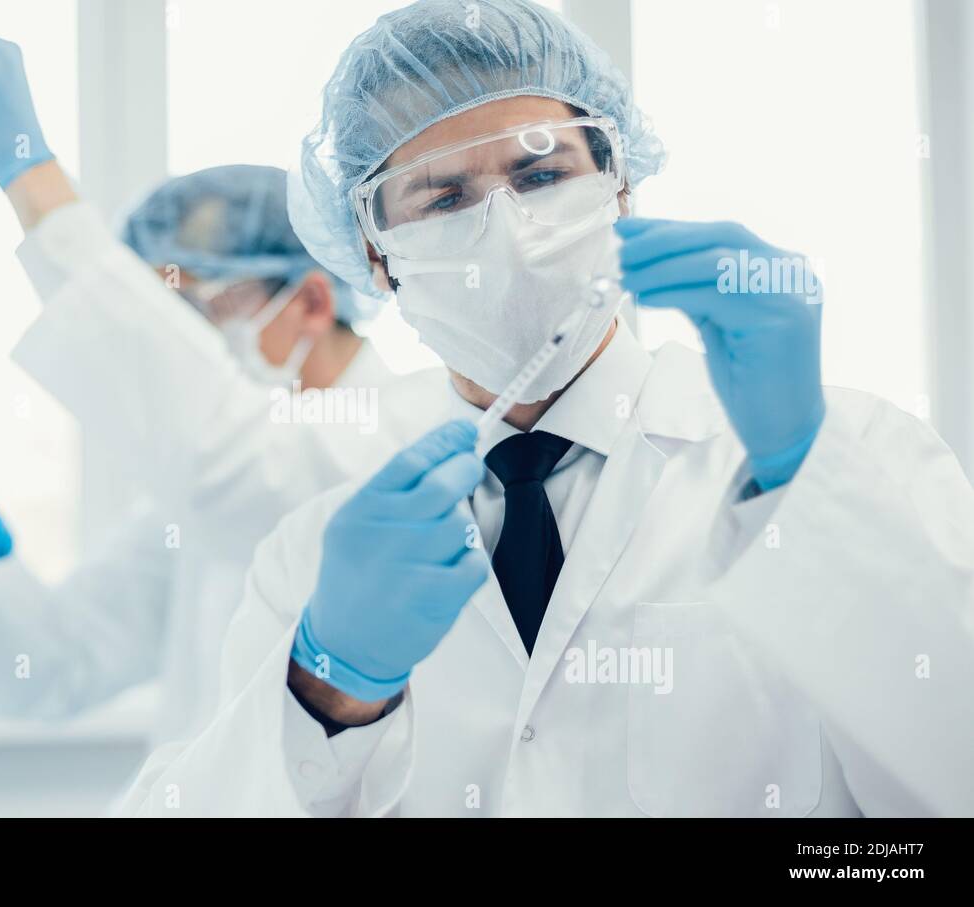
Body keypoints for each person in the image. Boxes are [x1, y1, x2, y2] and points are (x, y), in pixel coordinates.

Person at [123, 0, 974, 817]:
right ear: (378, 256)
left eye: (541, 174)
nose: (509, 228)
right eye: (444, 198)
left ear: (618, 187)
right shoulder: (321, 549)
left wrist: (803, 480)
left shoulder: (856, 451)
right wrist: (326, 688)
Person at [0, 24, 446, 748]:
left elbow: (224, 456)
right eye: (160, 319)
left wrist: (34, 179)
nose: (176, 347)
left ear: (310, 301)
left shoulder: (400, 444)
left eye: (190, 312)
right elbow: (45, 666)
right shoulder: (197, 509)